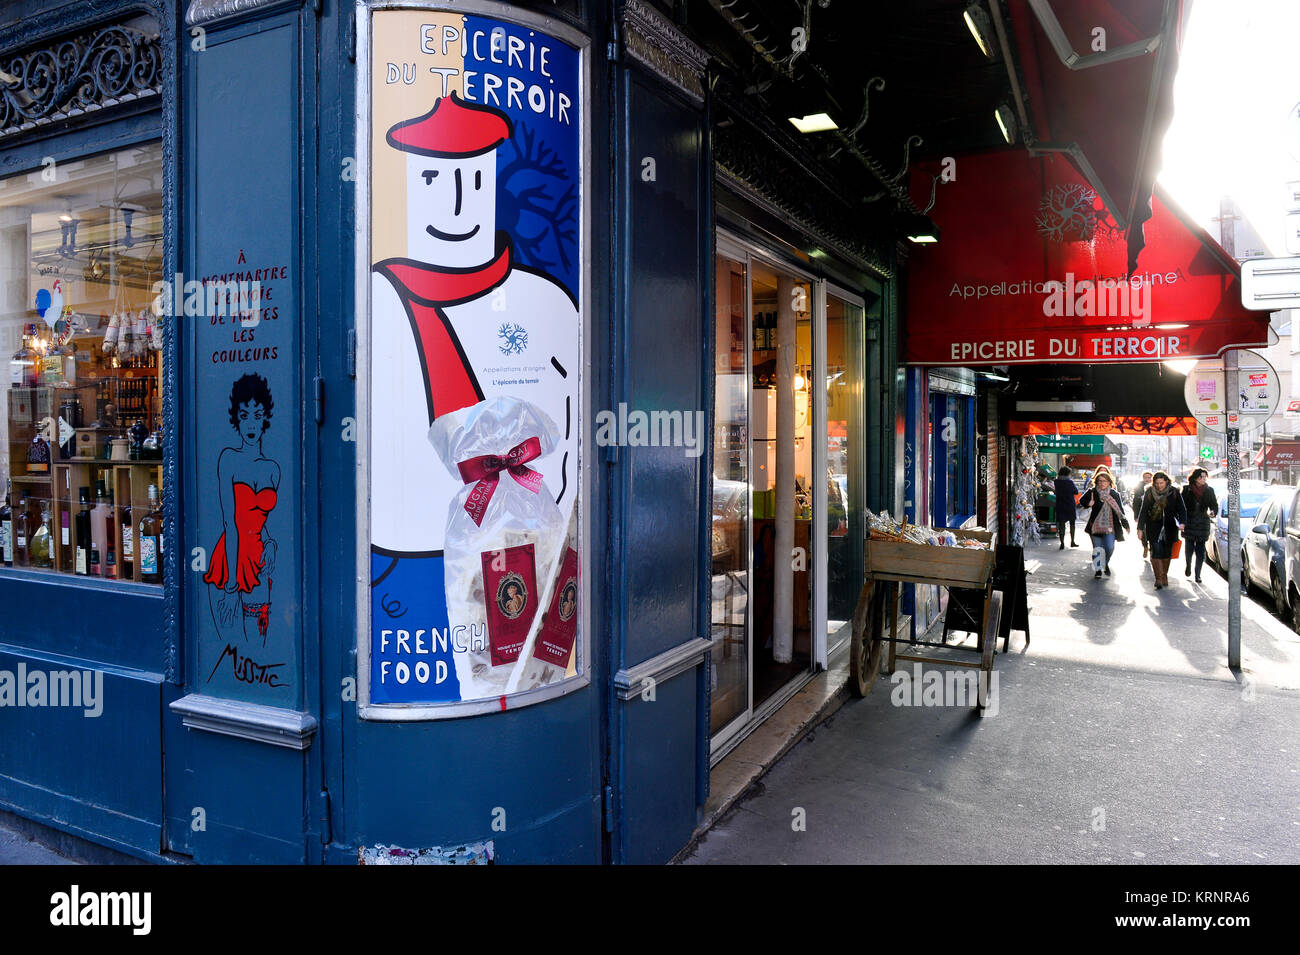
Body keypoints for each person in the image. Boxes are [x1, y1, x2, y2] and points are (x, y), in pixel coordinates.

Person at [203, 373, 280, 643]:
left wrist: (270, 543)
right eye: (244, 414)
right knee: (234, 640)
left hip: (258, 556)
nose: (250, 423)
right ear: (236, 417)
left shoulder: (272, 469)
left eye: (257, 415)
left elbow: (259, 519)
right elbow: (230, 522)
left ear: (265, 418)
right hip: (231, 557)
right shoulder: (228, 459)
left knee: (259, 634)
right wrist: (231, 584)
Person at [1138, 470, 1187, 590]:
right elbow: (1143, 510)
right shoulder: (1150, 492)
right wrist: (1140, 528)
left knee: (1167, 553)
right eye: (1157, 483)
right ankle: (1158, 578)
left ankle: (1164, 575)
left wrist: (1182, 523)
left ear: (1166, 482)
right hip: (1153, 526)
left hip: (1170, 527)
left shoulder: (1173, 492)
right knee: (1156, 551)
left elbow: (1182, 509)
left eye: (1161, 483)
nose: (1159, 485)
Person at [1079, 471, 1129, 578]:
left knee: (1109, 547)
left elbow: (1119, 510)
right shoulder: (1092, 492)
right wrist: (1089, 503)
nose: (1102, 483)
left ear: (1109, 482)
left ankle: (1105, 563)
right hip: (1095, 526)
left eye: (1104, 481)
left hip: (1110, 527)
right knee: (1097, 548)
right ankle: (1098, 570)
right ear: (1096, 482)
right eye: (1099, 481)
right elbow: (1081, 500)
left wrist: (1126, 525)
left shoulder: (1114, 494)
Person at [1181, 467, 1218, 583]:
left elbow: (1214, 505)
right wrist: (1181, 520)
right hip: (1190, 521)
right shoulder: (1187, 489)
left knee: (1201, 550)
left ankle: (1198, 574)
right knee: (1189, 548)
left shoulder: (1209, 490)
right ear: (1195, 478)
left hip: (1203, 522)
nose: (1203, 479)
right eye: (1201, 477)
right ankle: (1188, 565)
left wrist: (1213, 512)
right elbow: (1181, 506)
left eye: (1205, 477)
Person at [1053, 465, 1079, 549]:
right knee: (1072, 524)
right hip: (1070, 505)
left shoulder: (1056, 482)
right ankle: (1072, 542)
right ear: (1067, 474)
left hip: (1060, 504)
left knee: (1061, 524)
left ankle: (1062, 543)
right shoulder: (1070, 482)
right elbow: (1076, 491)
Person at [1132, 470, 1153, 558]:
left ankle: (1152, 549)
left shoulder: (1155, 486)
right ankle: (1145, 546)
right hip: (1142, 513)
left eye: (1149, 477)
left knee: (1152, 532)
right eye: (1145, 477)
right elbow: (1135, 502)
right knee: (1142, 532)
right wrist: (1136, 516)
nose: (1147, 479)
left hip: (1152, 514)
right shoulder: (1139, 487)